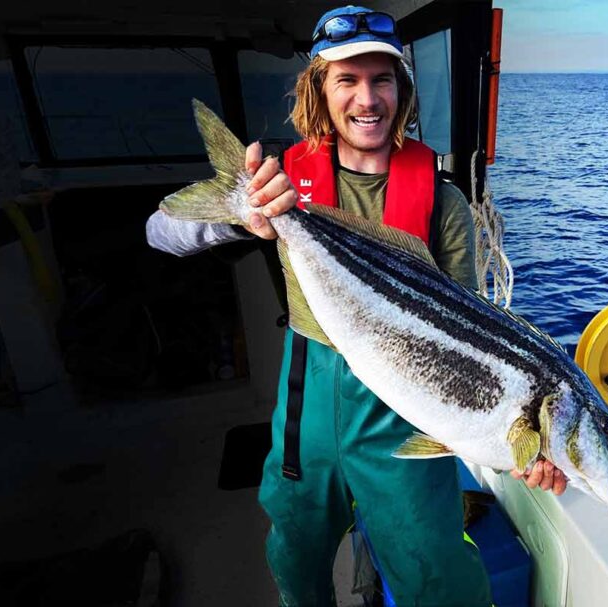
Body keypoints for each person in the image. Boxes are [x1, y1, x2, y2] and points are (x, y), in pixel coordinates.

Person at [147, 6, 565, 605]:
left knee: (438, 574)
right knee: (295, 554)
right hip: (307, 406)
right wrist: (243, 215)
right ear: (320, 89)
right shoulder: (284, 182)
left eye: (382, 79)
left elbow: (472, 344)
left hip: (405, 413)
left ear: (402, 89)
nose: (367, 99)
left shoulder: (443, 205)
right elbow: (158, 233)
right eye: (347, 80)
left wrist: (518, 447)